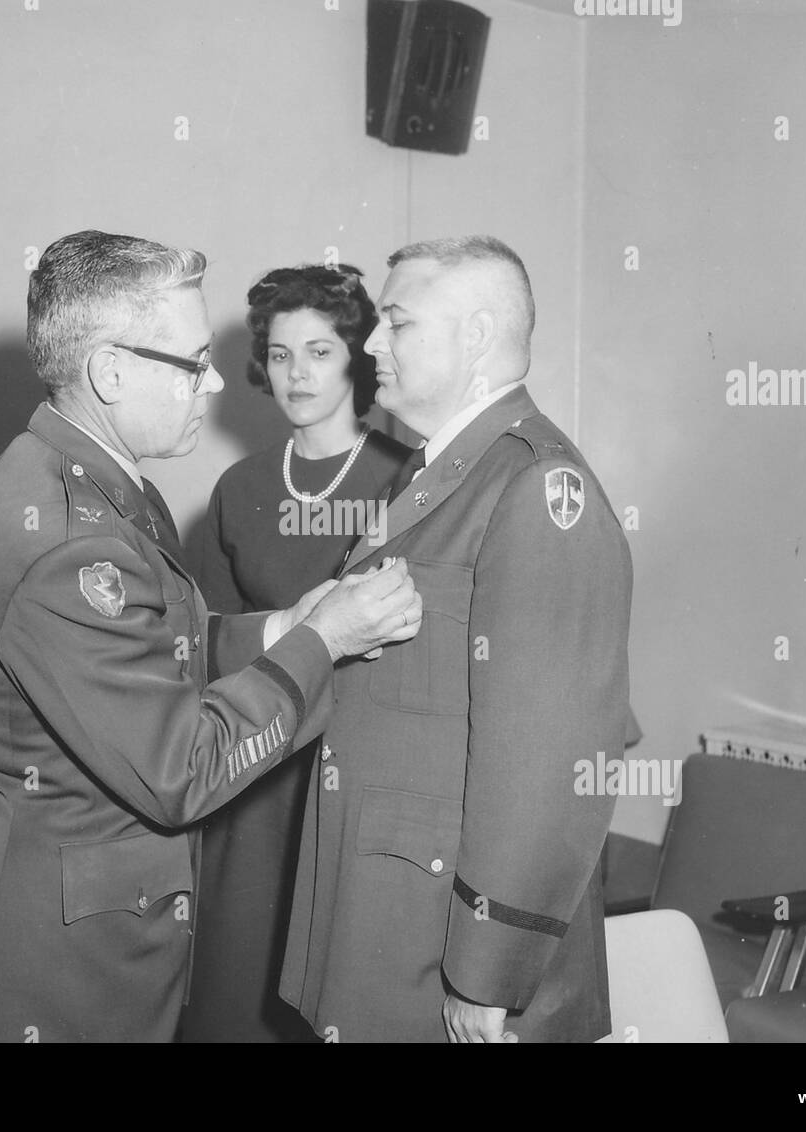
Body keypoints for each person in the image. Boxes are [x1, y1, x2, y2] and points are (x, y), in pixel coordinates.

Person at [0, 230, 421, 1042]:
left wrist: (282, 627)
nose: (219, 379)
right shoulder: (65, 539)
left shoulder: (98, 484)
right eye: (193, 362)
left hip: (97, 920)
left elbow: (155, 648)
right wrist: (319, 644)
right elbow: (180, 769)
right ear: (111, 372)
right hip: (55, 955)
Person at [279, 236, 633, 1043]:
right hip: (390, 913)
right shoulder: (439, 474)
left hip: (455, 946)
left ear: (475, 336)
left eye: (396, 322)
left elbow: (551, 762)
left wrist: (488, 968)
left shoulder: (538, 488)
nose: (370, 344)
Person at [182, 265, 412, 1043]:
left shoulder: (405, 478)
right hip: (254, 777)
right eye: (281, 356)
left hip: (361, 773)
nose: (298, 373)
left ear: (357, 357)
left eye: (319, 351)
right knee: (237, 997)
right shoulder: (239, 488)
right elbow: (204, 647)